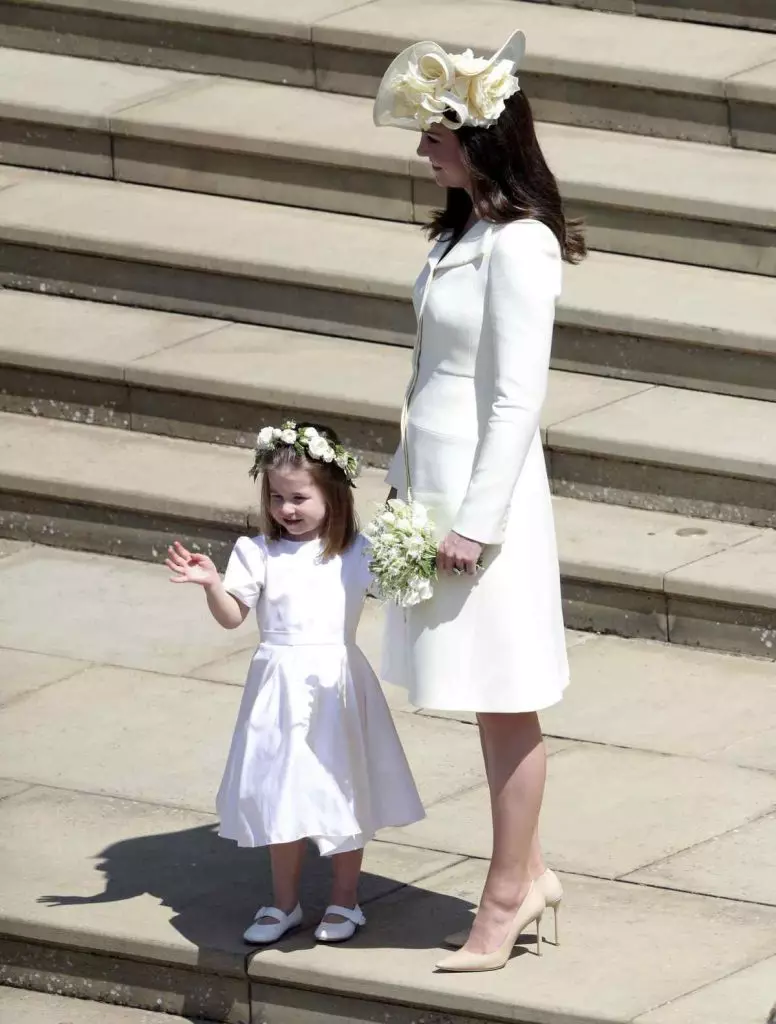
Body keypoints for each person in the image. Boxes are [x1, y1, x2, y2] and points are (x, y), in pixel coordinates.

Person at [373, 31, 586, 972]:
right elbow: (433, 376)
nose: (423, 147)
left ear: (480, 139)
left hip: (482, 507)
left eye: (435, 133)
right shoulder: (464, 229)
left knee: (506, 699)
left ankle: (503, 900)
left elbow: (515, 396)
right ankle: (530, 871)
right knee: (484, 698)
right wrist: (404, 485)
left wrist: (476, 522)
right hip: (437, 486)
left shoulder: (523, 244)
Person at [165, 421, 424, 946]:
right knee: (281, 794)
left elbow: (404, 591)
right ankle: (283, 903)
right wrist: (213, 584)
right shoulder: (257, 552)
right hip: (278, 692)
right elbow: (233, 616)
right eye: (278, 497)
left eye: (300, 497)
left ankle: (345, 900)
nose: (287, 508)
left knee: (342, 789)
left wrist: (419, 549)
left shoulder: (356, 552)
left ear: (332, 494)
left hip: (336, 688)